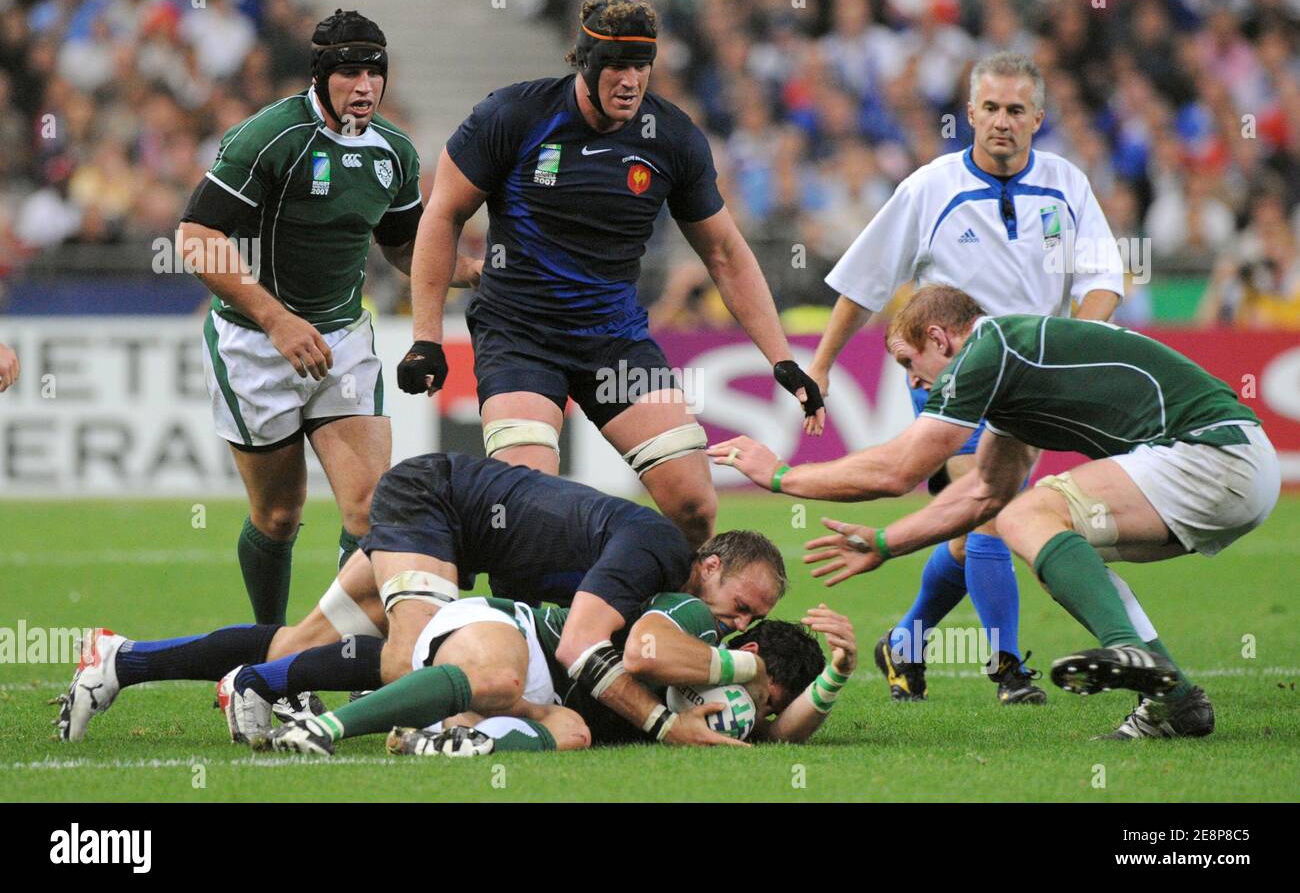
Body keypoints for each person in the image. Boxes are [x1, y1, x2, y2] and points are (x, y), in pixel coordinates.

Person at [729, 285, 1278, 739]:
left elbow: (900, 469)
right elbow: (981, 495)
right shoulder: (1009, 382)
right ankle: (1175, 704)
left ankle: (1131, 652)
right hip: (1235, 472)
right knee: (1037, 534)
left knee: (1027, 518)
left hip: (1212, 453)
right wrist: (883, 543)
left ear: (941, 338)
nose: (912, 382)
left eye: (909, 362)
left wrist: (783, 477)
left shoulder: (989, 349)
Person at [395, 0, 824, 551]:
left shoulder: (672, 138)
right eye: (616, 66)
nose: (630, 81)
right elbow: (442, 215)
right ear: (585, 63)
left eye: (641, 67)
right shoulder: (513, 116)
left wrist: (782, 359)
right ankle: (532, 631)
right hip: (520, 337)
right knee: (525, 503)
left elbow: (725, 253)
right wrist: (426, 338)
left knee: (695, 508)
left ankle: (666, 629)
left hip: (613, 342)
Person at [57, 453, 785, 749]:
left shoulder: (661, 582)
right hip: (435, 505)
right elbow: (580, 649)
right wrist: (664, 723)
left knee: (295, 647)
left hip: (450, 531)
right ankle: (304, 712)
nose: (740, 623)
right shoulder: (660, 548)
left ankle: (123, 660)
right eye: (741, 602)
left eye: (754, 620)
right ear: (710, 564)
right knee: (410, 661)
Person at [801, 51, 1126, 705]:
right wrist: (822, 362)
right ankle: (1008, 667)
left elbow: (1101, 279)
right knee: (990, 514)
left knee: (967, 526)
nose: (1001, 121)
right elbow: (866, 279)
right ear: (970, 112)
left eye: (1015, 110)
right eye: (990, 108)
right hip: (949, 379)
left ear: (1038, 117)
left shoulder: (1067, 184)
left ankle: (905, 643)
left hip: (1031, 378)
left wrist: (1076, 342)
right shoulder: (930, 187)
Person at [177, 9, 481, 626]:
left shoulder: (393, 151)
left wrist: (477, 270)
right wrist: (276, 320)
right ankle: (266, 655)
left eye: (375, 71)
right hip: (253, 343)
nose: (365, 85)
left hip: (343, 337)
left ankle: (336, 657)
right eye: (349, 71)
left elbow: (404, 247)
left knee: (371, 511)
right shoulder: (268, 137)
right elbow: (195, 234)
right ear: (321, 74)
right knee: (279, 515)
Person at [386, 605, 856, 757]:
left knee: (574, 733)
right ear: (749, 656)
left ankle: (439, 738)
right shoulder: (693, 620)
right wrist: (668, 725)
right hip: (512, 634)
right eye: (765, 700)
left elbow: (777, 735)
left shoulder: (733, 707)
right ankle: (336, 722)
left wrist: (838, 674)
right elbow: (642, 653)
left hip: (547, 702)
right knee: (503, 682)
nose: (758, 717)